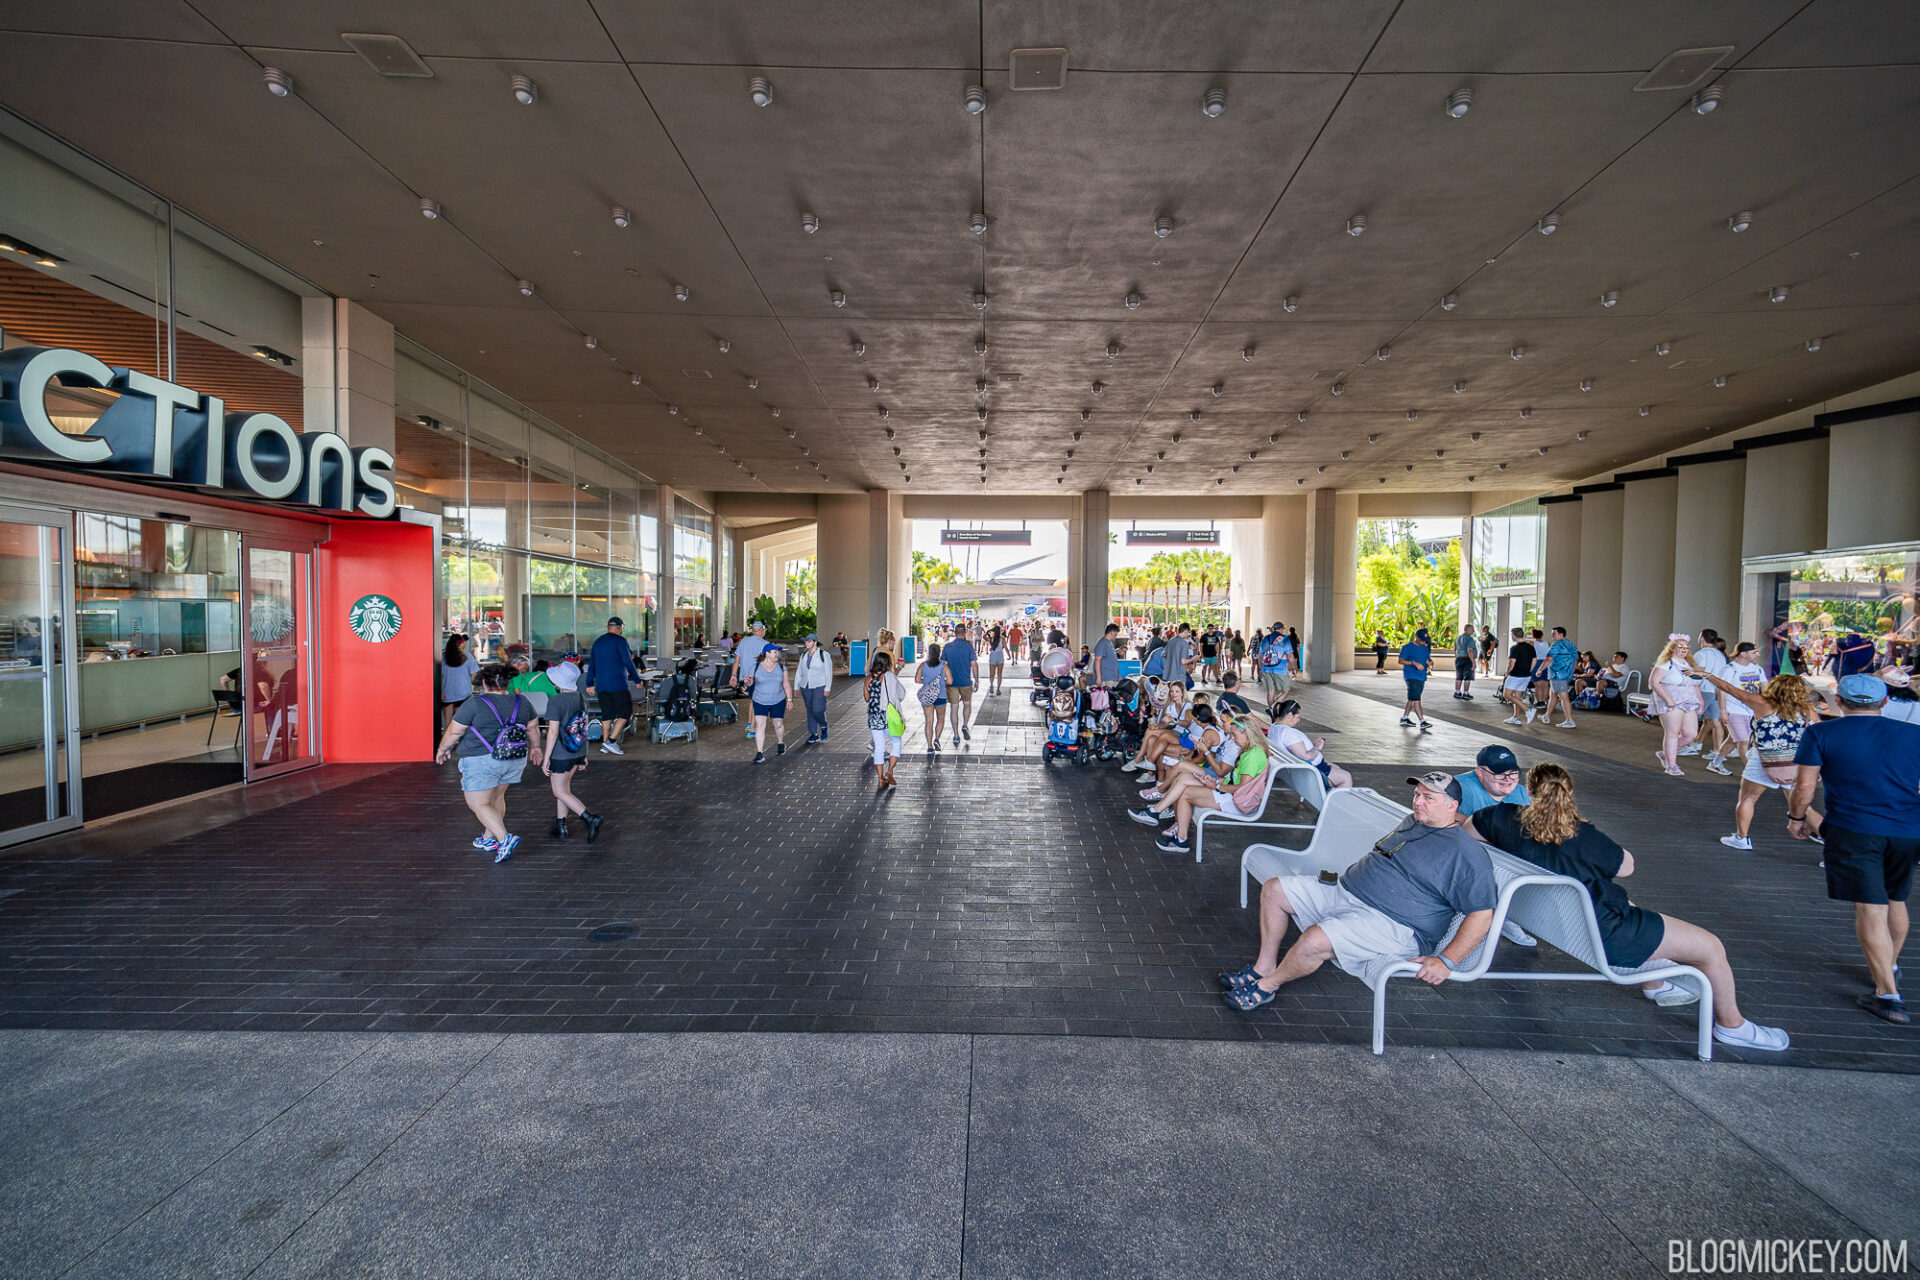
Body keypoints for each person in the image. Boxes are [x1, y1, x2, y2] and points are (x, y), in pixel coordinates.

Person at [1466, 764, 1790, 1050]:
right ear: (1569, 793)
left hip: (1551, 919)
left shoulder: (1498, 817)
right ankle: (1732, 1026)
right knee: (1711, 948)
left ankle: (1655, 983)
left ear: (1530, 789)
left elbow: (1469, 834)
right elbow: (1627, 866)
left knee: (1633, 907)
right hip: (1606, 935)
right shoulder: (1581, 835)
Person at [1220, 773, 1496, 1012]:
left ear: (1452, 805)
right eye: (1417, 794)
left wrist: (1446, 961)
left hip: (1394, 926)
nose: (1417, 802)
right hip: (1346, 892)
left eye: (1428, 798)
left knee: (1314, 941)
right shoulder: (1414, 822)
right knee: (1274, 890)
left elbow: (1483, 914)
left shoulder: (1467, 855)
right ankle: (1263, 967)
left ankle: (1268, 985)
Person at [1789, 674, 1920, 1025]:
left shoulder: (1821, 733)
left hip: (1855, 829)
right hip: (1908, 830)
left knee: (1869, 906)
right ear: (1884, 702)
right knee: (1896, 898)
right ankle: (1890, 963)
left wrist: (1796, 817)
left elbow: (1804, 786)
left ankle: (1888, 995)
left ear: (1840, 703)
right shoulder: (1914, 734)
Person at [1688, 666, 1825, 851]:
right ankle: (1831, 843)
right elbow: (1818, 737)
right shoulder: (1807, 710)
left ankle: (1741, 838)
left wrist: (1708, 675)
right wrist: (1818, 767)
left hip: (1763, 760)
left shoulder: (1762, 703)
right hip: (1795, 763)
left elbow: (1730, 689)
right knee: (1803, 805)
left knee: (1747, 798)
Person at [435, 662, 542, 863]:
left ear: (484, 682)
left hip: (482, 759)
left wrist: (443, 749)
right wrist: (536, 749)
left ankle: (504, 838)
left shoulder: (475, 703)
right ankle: (488, 838)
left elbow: (455, 731)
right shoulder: (522, 702)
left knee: (479, 803)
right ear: (507, 683)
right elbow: (532, 728)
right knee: (496, 798)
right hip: (513, 758)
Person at [1128, 715, 1268, 856]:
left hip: (1237, 801)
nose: (1232, 738)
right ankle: (1157, 814)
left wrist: (1216, 786)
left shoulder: (1253, 756)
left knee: (1186, 793)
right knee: (1184, 776)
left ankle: (1173, 831)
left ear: (1247, 733)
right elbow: (1234, 779)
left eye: (1234, 735)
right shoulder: (1249, 751)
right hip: (1228, 791)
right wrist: (1216, 781)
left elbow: (1241, 788)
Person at [1452, 743, 1540, 948]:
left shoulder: (1522, 794)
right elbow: (1447, 817)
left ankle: (1506, 913)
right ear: (1480, 772)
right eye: (1500, 774)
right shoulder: (1459, 786)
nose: (1508, 779)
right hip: (1467, 860)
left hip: (1507, 863)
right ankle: (1496, 913)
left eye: (1513, 773)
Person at [538, 661, 603, 844]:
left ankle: (589, 818)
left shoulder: (555, 701)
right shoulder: (581, 697)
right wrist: (584, 755)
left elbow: (552, 732)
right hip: (577, 750)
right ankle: (561, 825)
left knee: (559, 791)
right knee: (564, 789)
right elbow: (583, 728)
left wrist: (546, 757)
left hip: (560, 753)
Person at [583, 617, 642, 755]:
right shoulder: (620, 641)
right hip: (618, 684)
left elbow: (592, 664)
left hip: (602, 685)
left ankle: (605, 745)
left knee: (607, 714)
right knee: (625, 712)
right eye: (622, 627)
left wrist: (590, 683)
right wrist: (637, 679)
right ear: (619, 627)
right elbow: (628, 662)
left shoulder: (598, 642)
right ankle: (611, 741)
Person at [1649, 634, 1704, 777]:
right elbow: (1654, 682)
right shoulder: (1667, 663)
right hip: (1671, 700)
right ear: (1672, 648)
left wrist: (1701, 701)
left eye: (1686, 647)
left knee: (1691, 734)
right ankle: (1671, 764)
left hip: (1689, 700)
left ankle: (1665, 753)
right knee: (1672, 732)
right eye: (1680, 647)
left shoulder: (1690, 665)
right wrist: (1668, 699)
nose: (1684, 649)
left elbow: (1696, 685)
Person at [1267, 699, 1352, 789]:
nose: (1299, 720)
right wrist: (1317, 747)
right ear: (1290, 715)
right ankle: (1333, 802)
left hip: (1295, 770)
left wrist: (1311, 745)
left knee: (1336, 768)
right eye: (1298, 717)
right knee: (1346, 777)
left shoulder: (1274, 728)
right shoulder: (1287, 732)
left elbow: (1294, 747)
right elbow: (1307, 756)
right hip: (1311, 772)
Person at [864, 651, 911, 788]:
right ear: (887, 664)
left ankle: (880, 779)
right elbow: (901, 694)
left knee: (879, 748)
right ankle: (890, 772)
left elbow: (866, 698)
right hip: (887, 716)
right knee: (896, 742)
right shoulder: (890, 676)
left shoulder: (868, 678)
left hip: (873, 716)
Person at [1689, 630, 1733, 771]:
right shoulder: (1719, 654)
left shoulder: (1701, 654)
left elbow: (1699, 674)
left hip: (1704, 690)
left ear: (1701, 638)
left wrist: (1691, 688)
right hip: (1716, 690)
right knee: (1715, 721)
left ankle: (1689, 746)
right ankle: (1716, 750)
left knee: (1690, 718)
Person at [747, 644, 792, 764]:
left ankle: (780, 741)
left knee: (777, 724)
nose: (777, 654)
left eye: (777, 652)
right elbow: (750, 683)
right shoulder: (755, 667)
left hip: (778, 700)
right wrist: (748, 682)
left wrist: (789, 699)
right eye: (774, 652)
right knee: (760, 725)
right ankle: (759, 753)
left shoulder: (782, 668)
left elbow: (786, 684)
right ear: (766, 653)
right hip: (759, 700)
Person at [942, 625, 978, 746]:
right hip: (965, 681)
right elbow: (973, 664)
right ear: (965, 633)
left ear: (955, 633)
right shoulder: (968, 647)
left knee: (954, 707)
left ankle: (956, 735)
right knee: (967, 704)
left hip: (951, 682)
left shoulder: (948, 647)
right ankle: (965, 725)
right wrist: (977, 680)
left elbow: (943, 664)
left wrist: (943, 680)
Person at [795, 633, 834, 744]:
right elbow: (799, 672)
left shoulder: (823, 655)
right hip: (805, 686)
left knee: (817, 709)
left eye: (809, 641)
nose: (806, 643)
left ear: (815, 642)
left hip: (819, 685)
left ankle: (823, 725)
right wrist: (796, 686)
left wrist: (828, 687)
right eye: (806, 641)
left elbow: (828, 672)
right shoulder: (803, 656)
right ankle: (813, 734)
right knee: (810, 711)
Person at [916, 640, 949, 756]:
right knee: (941, 718)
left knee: (929, 721)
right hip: (941, 696)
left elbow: (917, 680)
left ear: (929, 653)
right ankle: (937, 739)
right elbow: (950, 681)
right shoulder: (944, 666)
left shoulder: (923, 665)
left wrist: (927, 682)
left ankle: (929, 746)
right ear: (939, 653)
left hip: (927, 696)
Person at [440, 634, 480, 731]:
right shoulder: (467, 657)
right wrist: (467, 683)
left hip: (447, 693)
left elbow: (440, 676)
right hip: (464, 692)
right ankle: (459, 742)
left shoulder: (442, 657)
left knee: (447, 724)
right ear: (461, 644)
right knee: (461, 723)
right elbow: (474, 674)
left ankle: (448, 741)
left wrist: (441, 691)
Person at [1397, 627, 1432, 732]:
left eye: (1424, 640)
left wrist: (1430, 663)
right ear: (1416, 637)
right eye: (1421, 639)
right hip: (1411, 676)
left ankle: (1405, 718)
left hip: (1422, 676)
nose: (1423, 641)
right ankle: (1422, 721)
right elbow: (1401, 660)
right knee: (1416, 699)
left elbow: (1427, 659)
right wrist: (1413, 663)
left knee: (1412, 698)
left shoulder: (1425, 648)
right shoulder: (1407, 647)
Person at [1499, 627, 1536, 726]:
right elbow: (1534, 660)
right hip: (1526, 675)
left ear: (1514, 636)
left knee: (1506, 695)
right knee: (1517, 697)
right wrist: (1529, 670)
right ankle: (1516, 717)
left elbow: (1512, 662)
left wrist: (1507, 673)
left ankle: (1528, 709)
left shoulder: (1515, 648)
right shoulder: (1530, 647)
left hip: (1516, 675)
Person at [1256, 623, 1293, 702]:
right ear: (1281, 629)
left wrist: (1259, 669)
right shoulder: (1285, 638)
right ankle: (1274, 706)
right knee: (1286, 690)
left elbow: (1260, 656)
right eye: (1282, 629)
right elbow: (1289, 655)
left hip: (1266, 669)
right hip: (1280, 669)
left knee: (1270, 692)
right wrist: (1293, 667)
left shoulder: (1265, 638)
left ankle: (1271, 710)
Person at [1162, 623, 1196, 691]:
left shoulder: (1171, 641)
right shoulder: (1184, 643)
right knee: (1179, 695)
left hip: (1168, 674)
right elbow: (1183, 661)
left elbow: (1163, 655)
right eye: (1188, 633)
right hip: (1179, 675)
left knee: (1171, 695)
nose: (1188, 635)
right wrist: (1194, 658)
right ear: (1185, 631)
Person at [1451, 623, 1478, 701]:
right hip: (1467, 659)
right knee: (1467, 677)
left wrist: (1457, 656)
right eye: (1472, 629)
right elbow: (1470, 650)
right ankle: (1465, 693)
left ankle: (1457, 692)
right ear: (1468, 629)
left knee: (1459, 676)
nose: (1473, 631)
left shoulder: (1458, 638)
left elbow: (1455, 649)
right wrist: (1473, 662)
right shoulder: (1470, 639)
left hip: (1459, 658)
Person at [985, 624, 1006, 696]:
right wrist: (1009, 656)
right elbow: (1005, 647)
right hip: (999, 655)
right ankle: (997, 688)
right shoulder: (1000, 638)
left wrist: (988, 631)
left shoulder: (992, 638)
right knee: (999, 674)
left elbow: (984, 637)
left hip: (993, 655)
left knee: (992, 674)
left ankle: (992, 685)